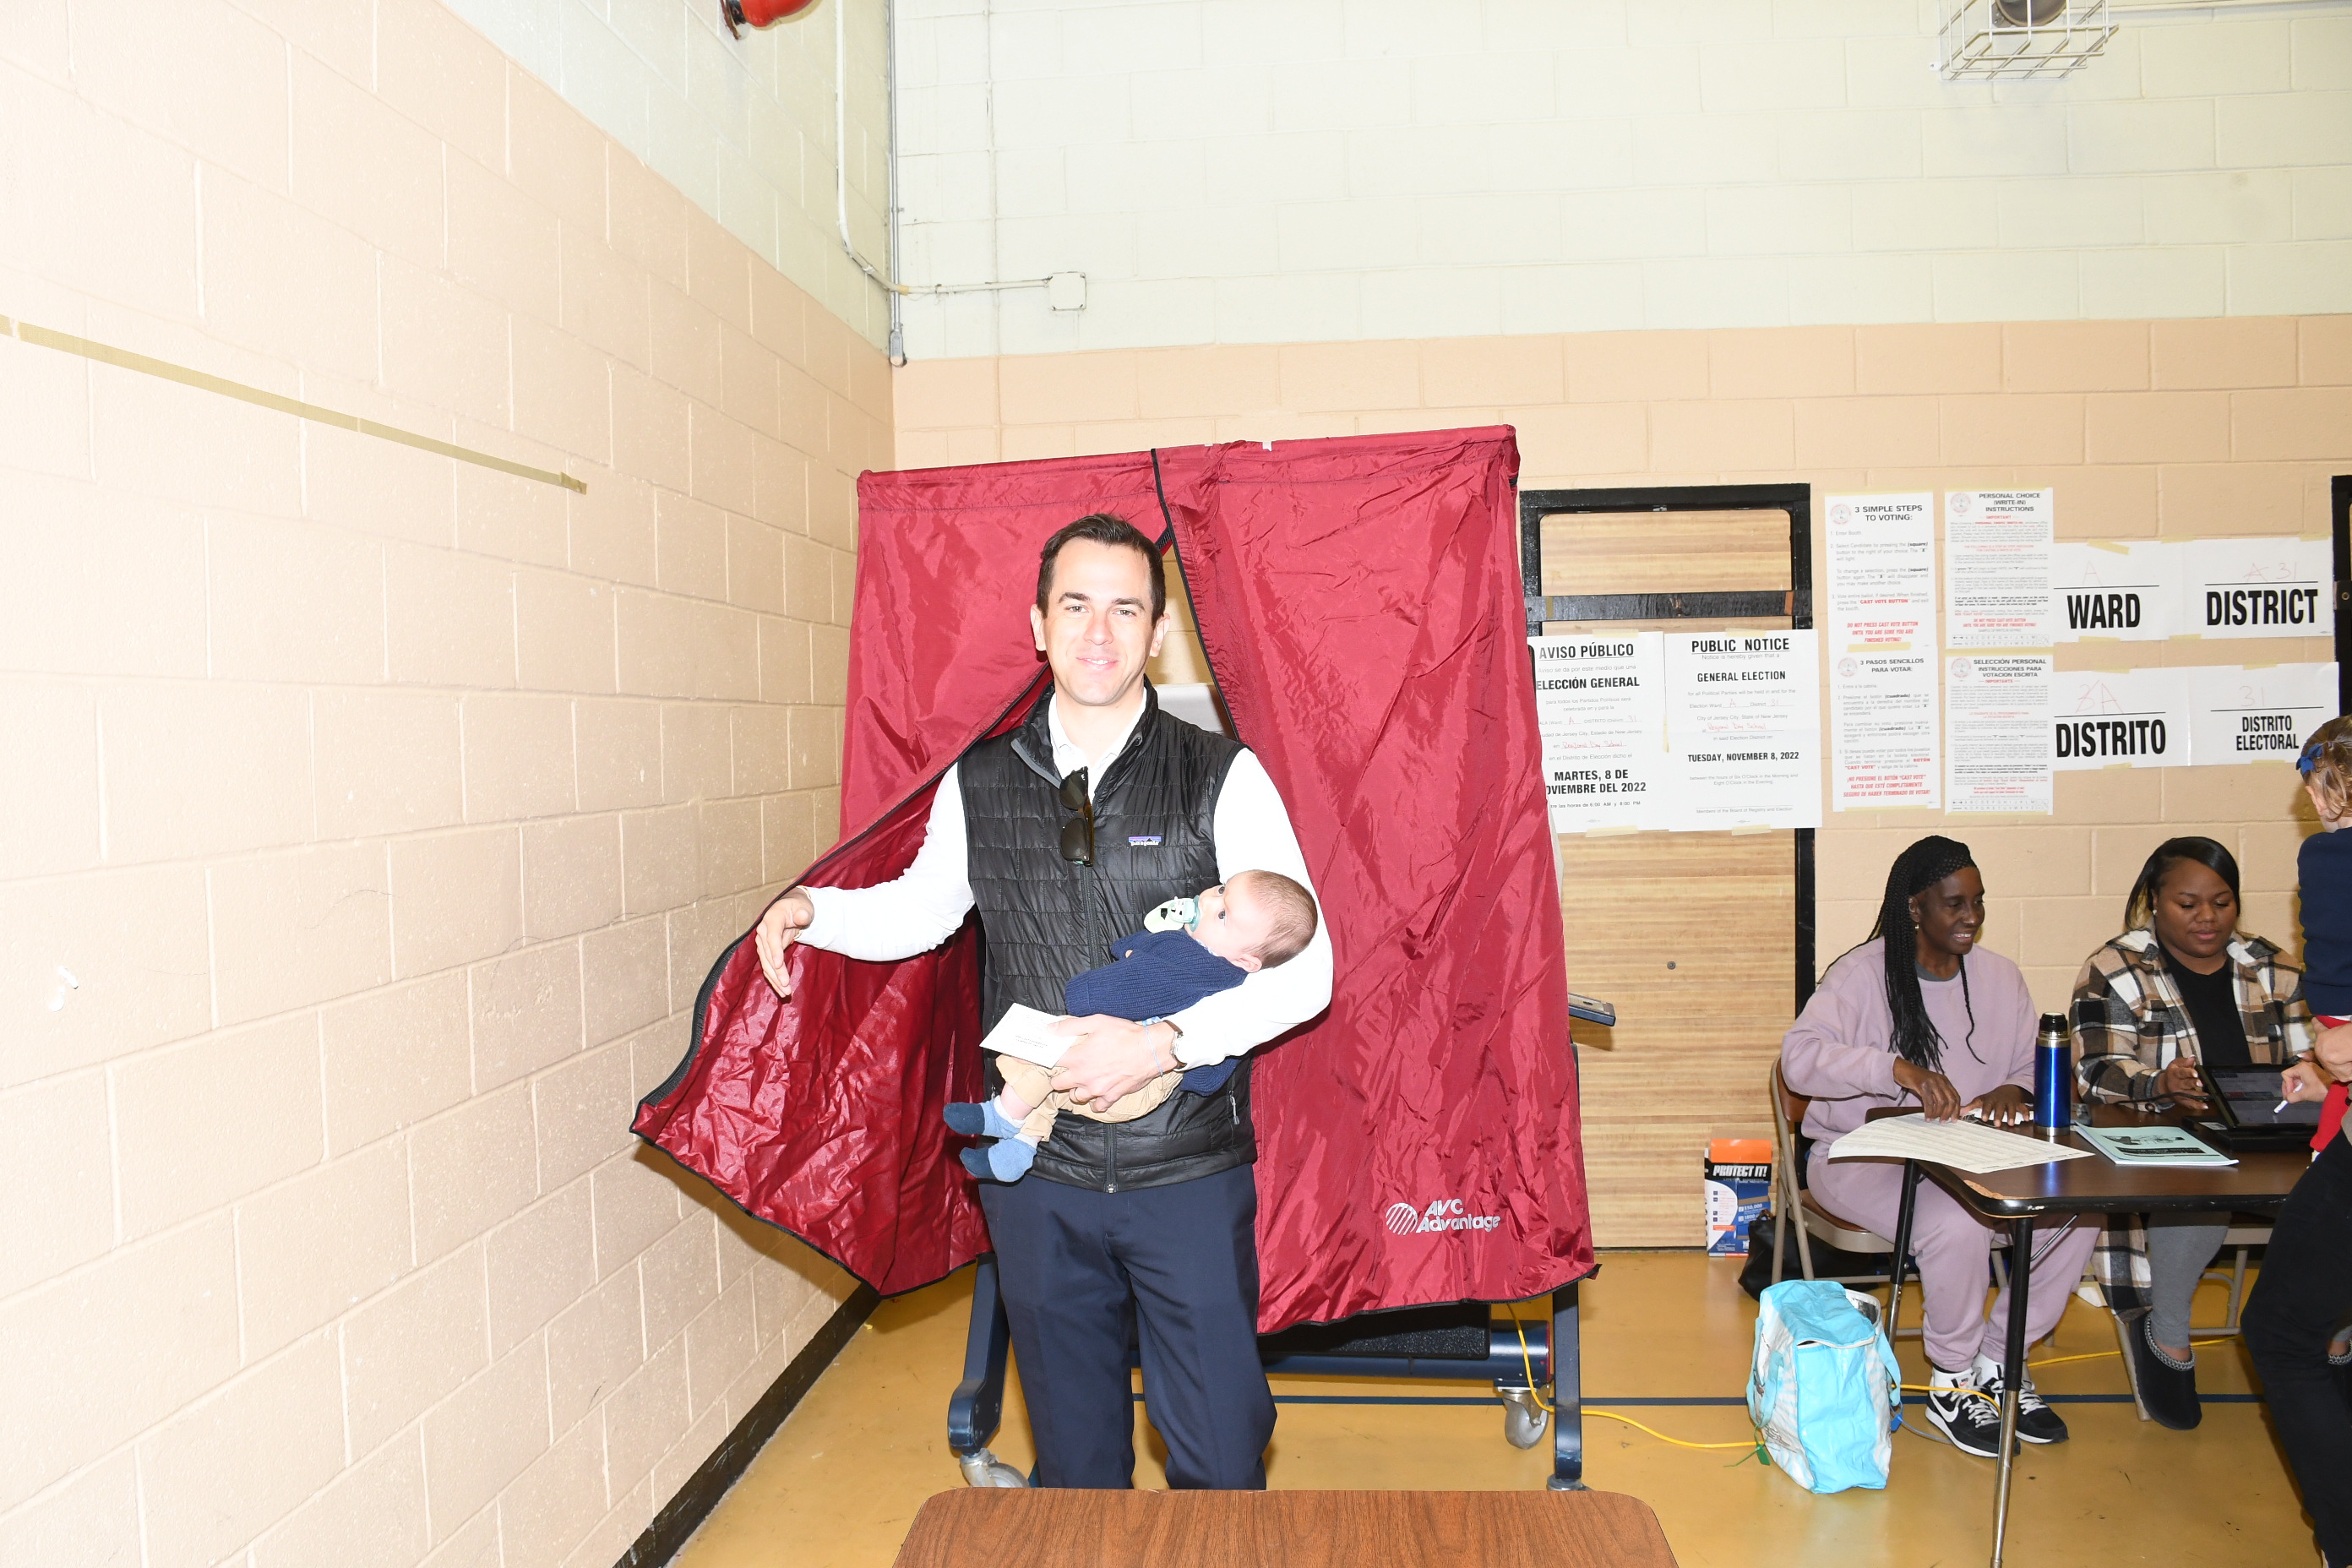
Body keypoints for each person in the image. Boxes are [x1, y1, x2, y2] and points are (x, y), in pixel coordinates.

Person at [750, 513, 1333, 1490]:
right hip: (1039, 1185)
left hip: (1185, 1173)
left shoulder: (1223, 775)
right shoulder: (978, 779)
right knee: (1076, 1472)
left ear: (1158, 633)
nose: (1097, 632)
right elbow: (921, 910)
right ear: (1038, 622)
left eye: (1124, 608)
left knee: (1224, 1463)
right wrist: (816, 908)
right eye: (1075, 605)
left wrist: (1163, 1043)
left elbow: (1309, 967)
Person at [1780, 836, 2100, 1460]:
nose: (1971, 917)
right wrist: (1896, 1070)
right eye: (1954, 904)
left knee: (2078, 1209)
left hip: (1969, 1155)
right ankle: (1952, 1379)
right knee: (1957, 1222)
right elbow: (1800, 1061)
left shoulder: (2001, 977)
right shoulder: (1862, 974)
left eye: (1978, 902)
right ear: (1914, 909)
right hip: (1860, 1155)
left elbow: (2038, 1074)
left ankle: (1999, 1361)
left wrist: (2017, 1086)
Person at [2070, 836, 2314, 1428]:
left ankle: (2328, 1338)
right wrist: (2158, 1084)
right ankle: (2169, 1336)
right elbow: (2094, 1069)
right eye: (2188, 904)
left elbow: (2316, 1060)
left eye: (2222, 902)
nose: (2208, 917)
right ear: (2155, 902)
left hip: (2274, 1137)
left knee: (2334, 1197)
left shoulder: (2274, 967)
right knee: (2198, 1199)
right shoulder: (2115, 968)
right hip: (2173, 1141)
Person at [948, 871, 1320, 1182]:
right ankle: (1019, 1148)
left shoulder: (1189, 964)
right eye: (1222, 889)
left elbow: (1087, 997)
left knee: (1049, 1048)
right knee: (1053, 1083)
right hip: (1147, 1092)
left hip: (1127, 1086)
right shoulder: (1228, 979)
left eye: (1223, 915)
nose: (1206, 900)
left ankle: (1003, 1115)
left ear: (1247, 960)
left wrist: (1140, 957)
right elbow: (1207, 1076)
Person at [2246, 718, 2352, 1568]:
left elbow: (2345, 1034)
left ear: (2325, 787)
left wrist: (2334, 1061)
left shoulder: (2333, 858)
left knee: (2281, 1332)